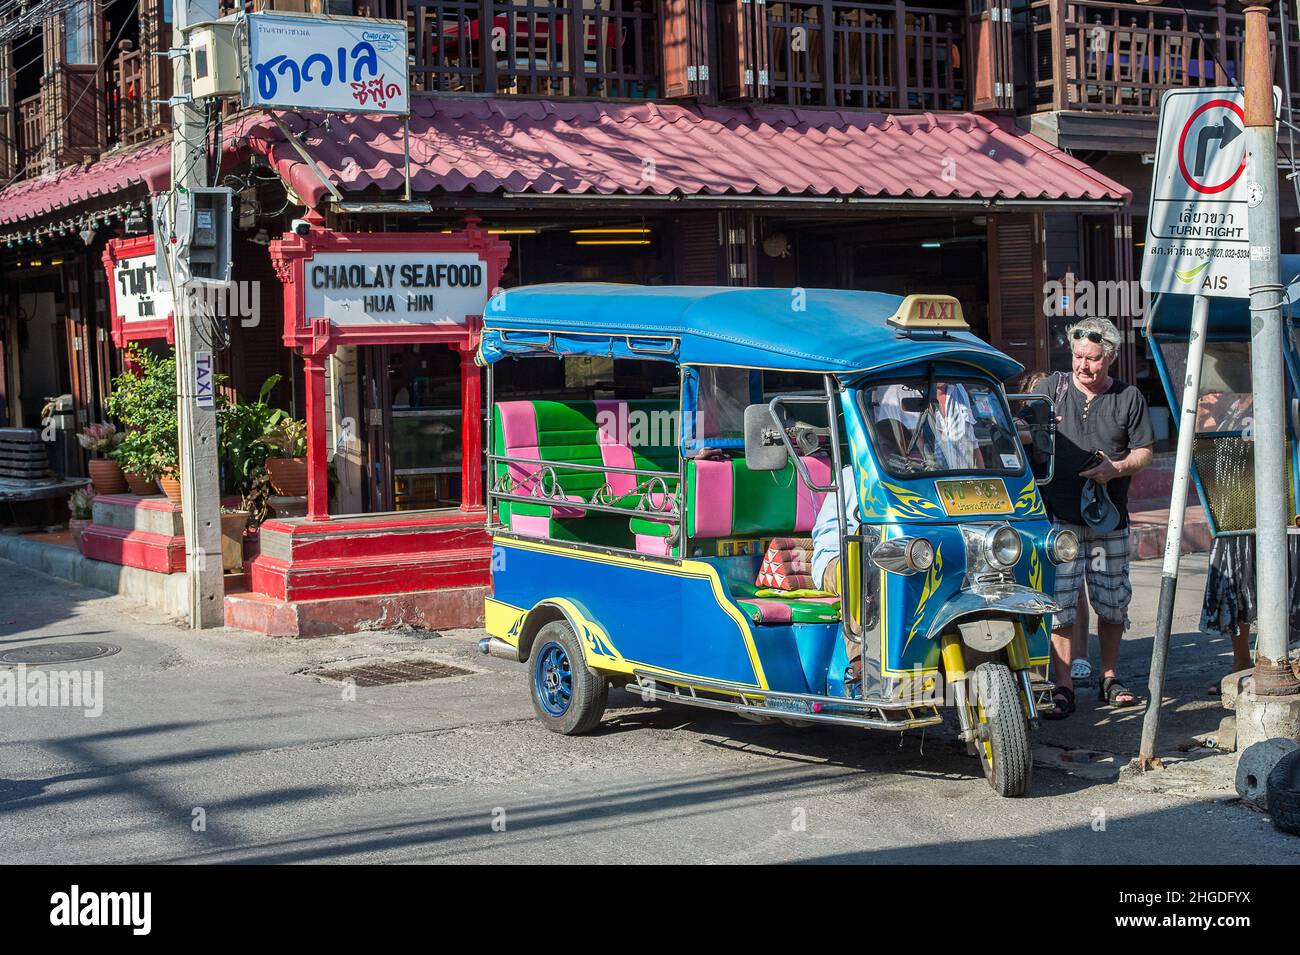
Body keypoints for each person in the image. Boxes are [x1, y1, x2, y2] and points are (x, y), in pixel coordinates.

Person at [1034, 318, 1155, 718]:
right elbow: (1021, 433)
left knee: (1112, 601)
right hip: (1058, 519)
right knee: (1061, 604)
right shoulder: (1051, 389)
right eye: (1079, 357)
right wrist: (1026, 430)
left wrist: (1115, 469)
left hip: (1108, 519)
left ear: (1112, 357)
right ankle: (1063, 686)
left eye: (1094, 359)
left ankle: (1109, 675)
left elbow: (1144, 452)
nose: (1084, 366)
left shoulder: (1128, 397)